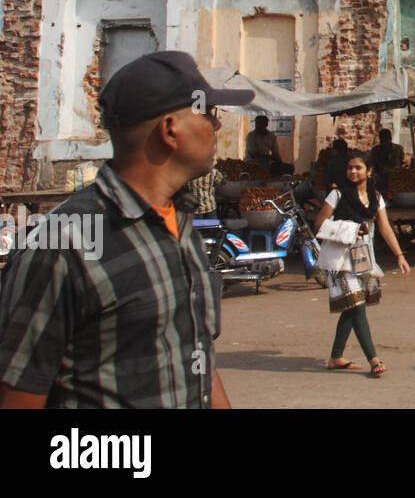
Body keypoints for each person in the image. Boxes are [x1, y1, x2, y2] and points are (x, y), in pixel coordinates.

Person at [0, 50, 253, 408]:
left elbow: (197, 359)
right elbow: (18, 392)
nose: (217, 126)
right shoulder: (65, 243)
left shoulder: (180, 223)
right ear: (170, 130)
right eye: (208, 113)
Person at [314, 152, 410, 377]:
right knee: (356, 306)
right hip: (340, 259)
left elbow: (385, 228)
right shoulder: (337, 195)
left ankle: (336, 357)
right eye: (350, 168)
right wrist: (350, 229)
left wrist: (399, 255)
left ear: (369, 171)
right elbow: (319, 224)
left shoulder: (375, 198)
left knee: (353, 306)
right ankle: (374, 359)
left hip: (364, 256)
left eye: (358, 168)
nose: (353, 172)